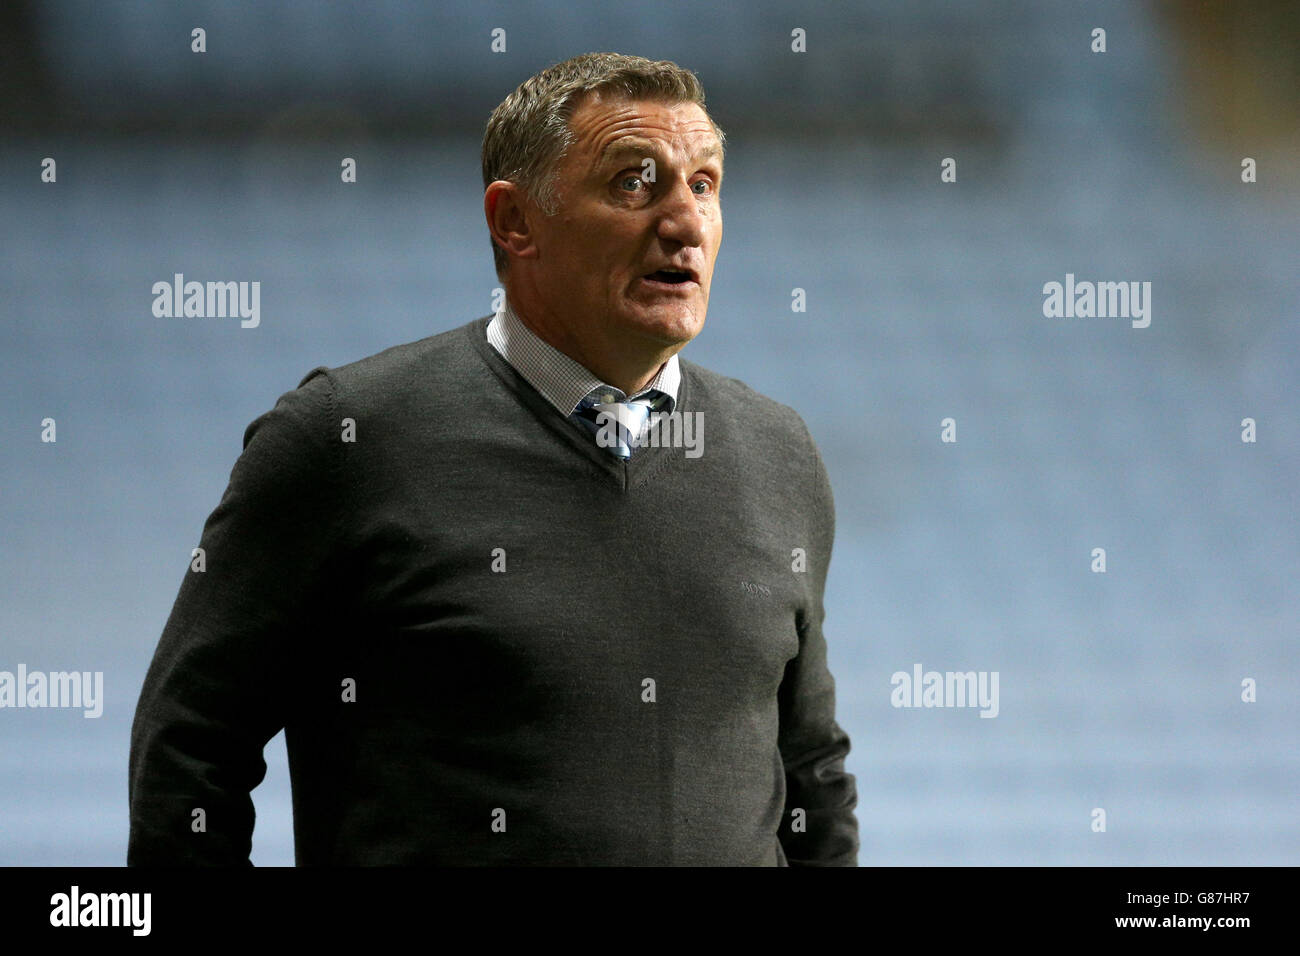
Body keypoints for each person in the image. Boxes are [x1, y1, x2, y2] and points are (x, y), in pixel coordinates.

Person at [128, 52, 858, 866]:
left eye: (704, 184)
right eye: (633, 182)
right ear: (514, 222)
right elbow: (190, 749)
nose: (685, 223)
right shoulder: (346, 439)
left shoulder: (777, 451)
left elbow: (810, 775)